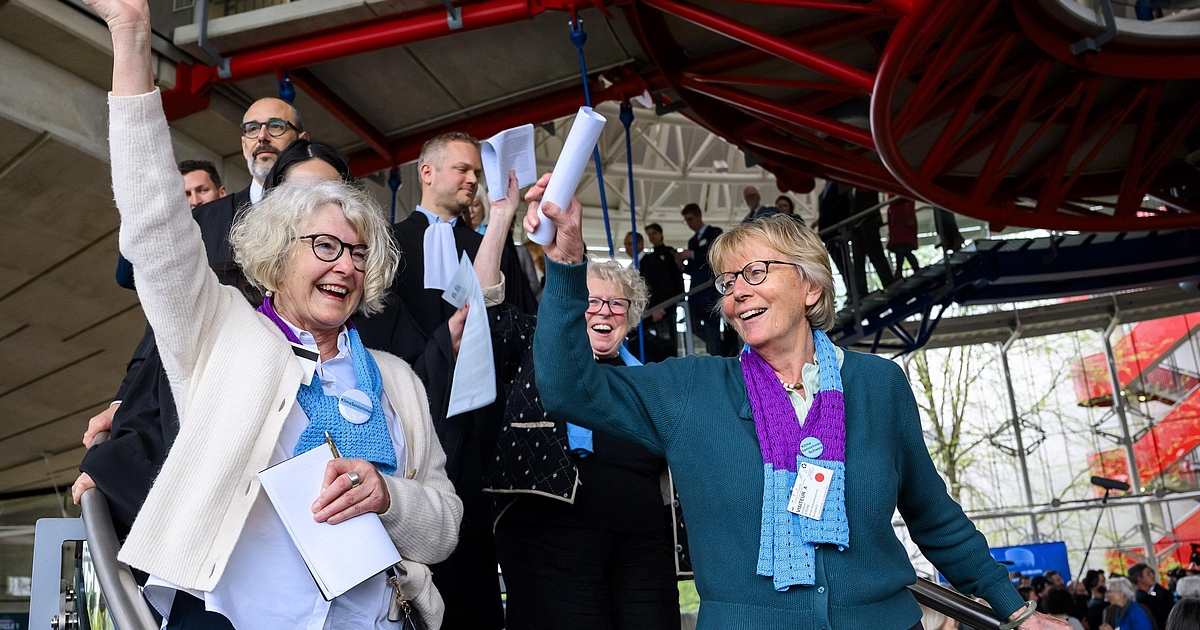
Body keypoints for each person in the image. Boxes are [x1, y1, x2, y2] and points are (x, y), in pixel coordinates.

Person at [524, 191, 1065, 629]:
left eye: (755, 273)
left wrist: (1017, 612)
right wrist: (569, 265)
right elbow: (568, 387)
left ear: (810, 284)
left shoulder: (879, 385)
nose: (737, 292)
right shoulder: (691, 388)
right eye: (727, 283)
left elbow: (934, 515)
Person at [85, 2, 463, 626]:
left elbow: (445, 529)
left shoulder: (397, 379)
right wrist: (131, 36)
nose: (345, 266)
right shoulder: (221, 335)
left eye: (358, 253)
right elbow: (154, 223)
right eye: (325, 246)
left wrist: (389, 497)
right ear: (275, 253)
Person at [74, 144, 349, 533]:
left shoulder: (380, 361)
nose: (314, 211)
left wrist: (390, 496)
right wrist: (114, 460)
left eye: (330, 196)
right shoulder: (223, 315)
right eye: (297, 197)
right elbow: (164, 363)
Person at [354, 151, 532, 629]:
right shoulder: (385, 243)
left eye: (477, 171)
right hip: (409, 414)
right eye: (463, 169)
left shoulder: (487, 244)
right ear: (426, 173)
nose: (472, 178)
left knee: (476, 553)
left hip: (480, 421)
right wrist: (436, 349)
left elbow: (513, 323)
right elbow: (373, 328)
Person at [480, 240, 680, 629]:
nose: (604, 312)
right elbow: (487, 307)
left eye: (617, 303)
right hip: (549, 539)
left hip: (643, 547)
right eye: (591, 301)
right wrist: (503, 214)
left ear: (631, 314)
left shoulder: (650, 381)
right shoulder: (535, 348)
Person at [115, 160, 229, 289]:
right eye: (186, 195)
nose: (195, 201)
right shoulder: (172, 240)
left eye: (203, 190)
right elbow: (126, 277)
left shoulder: (237, 226)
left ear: (222, 192)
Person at [625, 230, 683, 362]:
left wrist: (661, 308)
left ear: (639, 244)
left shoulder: (653, 261)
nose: (627, 247)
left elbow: (666, 285)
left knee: (659, 354)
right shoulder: (631, 267)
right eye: (626, 244)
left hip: (655, 318)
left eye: (630, 243)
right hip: (639, 319)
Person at [675, 203, 724, 356]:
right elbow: (691, 268)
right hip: (696, 292)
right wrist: (681, 264)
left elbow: (714, 255)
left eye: (690, 219)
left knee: (712, 329)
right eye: (686, 220)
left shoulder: (714, 233)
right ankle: (719, 349)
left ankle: (720, 352)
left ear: (699, 216)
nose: (689, 223)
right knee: (695, 323)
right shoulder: (693, 241)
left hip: (710, 290)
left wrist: (692, 254)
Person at [850, 188, 894, 296]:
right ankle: (862, 292)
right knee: (860, 261)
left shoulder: (864, 187)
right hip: (859, 227)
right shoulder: (853, 190)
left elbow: (870, 204)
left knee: (876, 256)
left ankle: (888, 283)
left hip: (867, 224)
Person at [1131, 563, 1175, 629]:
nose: (1152, 575)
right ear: (1140, 579)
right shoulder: (1144, 599)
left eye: (1152, 572)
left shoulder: (1146, 595)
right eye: (1148, 574)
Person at [886, 196, 920, 279]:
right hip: (900, 218)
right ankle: (914, 268)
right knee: (903, 248)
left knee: (901, 247)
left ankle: (900, 271)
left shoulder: (899, 203)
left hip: (900, 218)